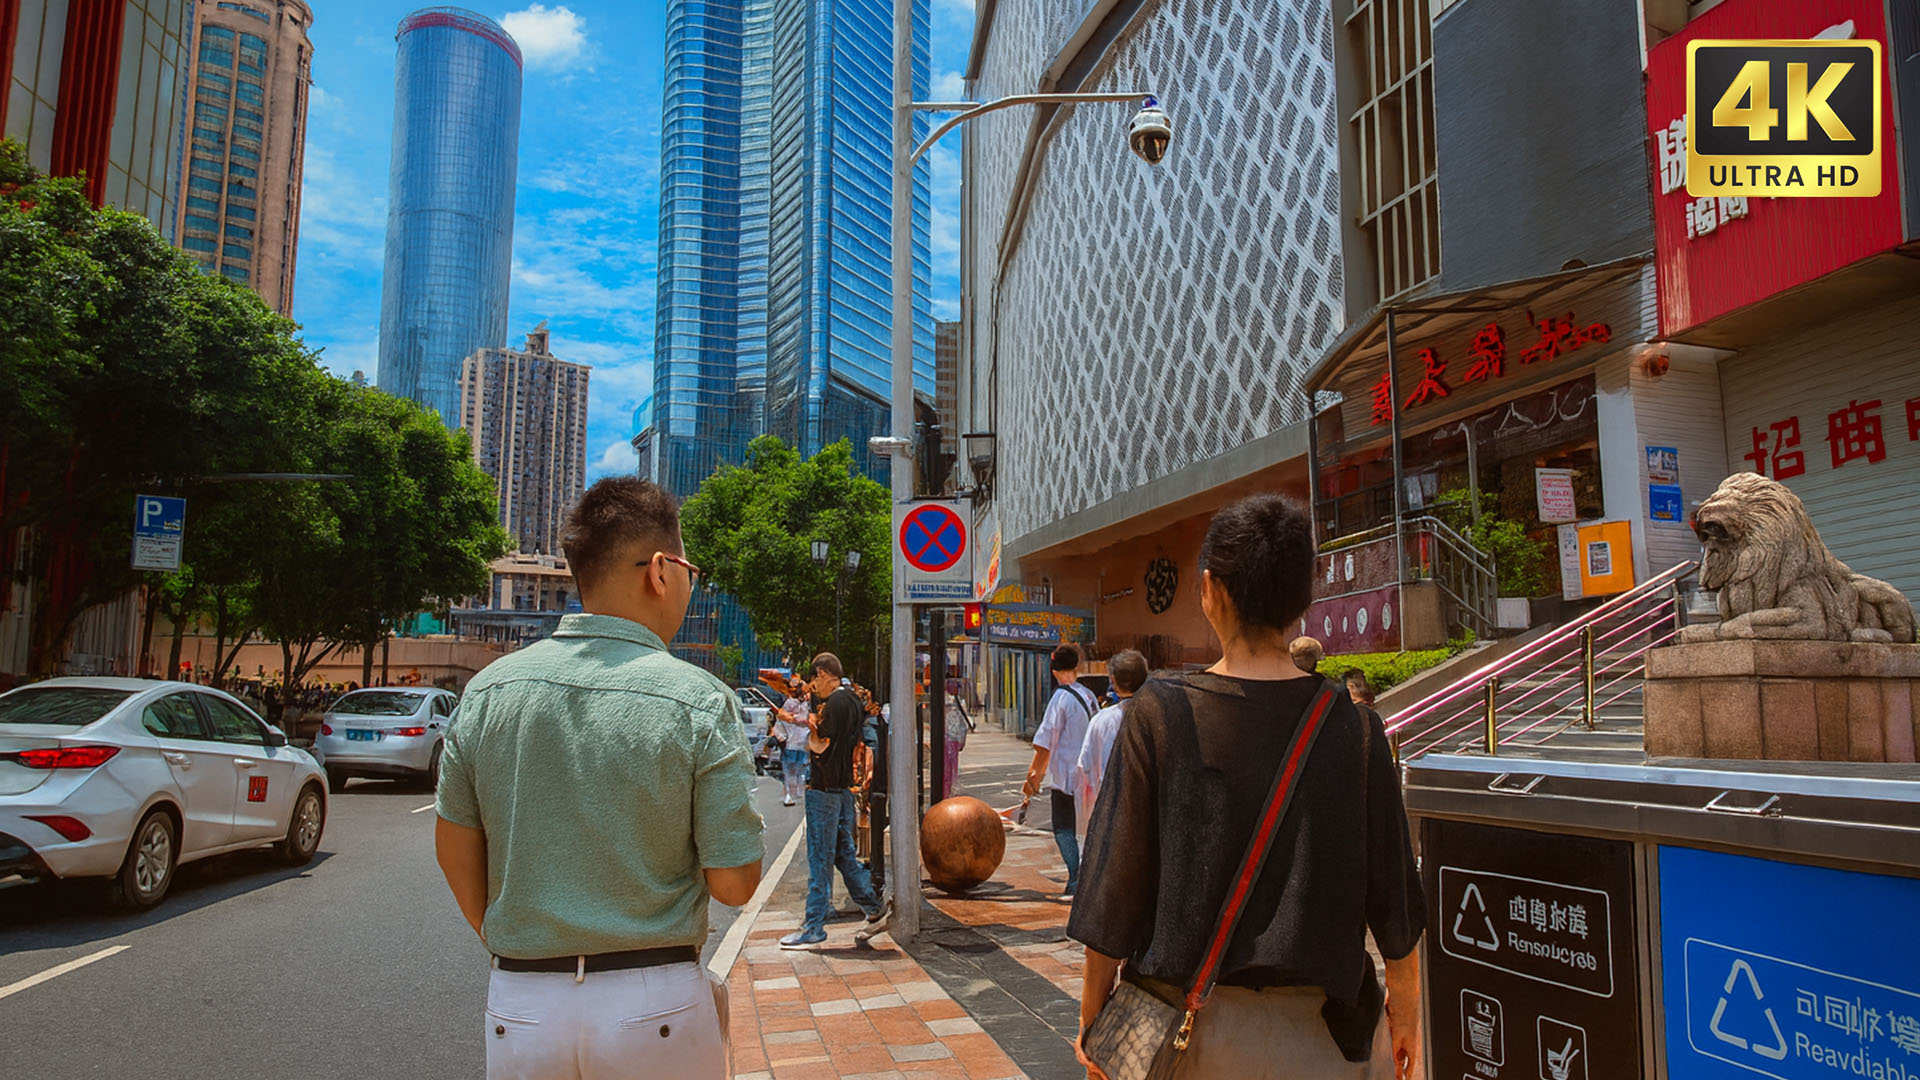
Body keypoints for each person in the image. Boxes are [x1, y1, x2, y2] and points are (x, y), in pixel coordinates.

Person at [1070, 494, 1425, 1078]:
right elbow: (1395, 896)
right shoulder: (1354, 728)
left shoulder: (1159, 715)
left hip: (1191, 1037)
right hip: (1326, 1044)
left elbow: (1115, 889)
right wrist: (1407, 1009)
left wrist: (1095, 1025)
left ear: (1210, 590)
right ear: (1301, 600)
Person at [433, 477, 764, 1080]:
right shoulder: (698, 699)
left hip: (521, 1002)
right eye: (691, 569)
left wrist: (522, 932)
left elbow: (454, 846)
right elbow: (735, 885)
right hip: (656, 1002)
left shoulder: (488, 692)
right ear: (661, 570)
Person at [780, 653, 884, 949]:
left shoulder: (836, 703)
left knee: (820, 858)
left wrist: (800, 721)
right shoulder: (852, 701)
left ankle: (813, 926)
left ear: (824, 674)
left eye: (815, 679)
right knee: (842, 855)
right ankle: (873, 906)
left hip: (824, 790)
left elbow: (821, 740)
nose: (814, 686)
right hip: (841, 790)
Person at [1022, 643, 1099, 900]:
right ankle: (1087, 878)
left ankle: (1077, 879)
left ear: (1054, 670)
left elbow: (1046, 744)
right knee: (1087, 830)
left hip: (1067, 778)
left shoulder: (1060, 698)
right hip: (1091, 774)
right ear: (1075, 667)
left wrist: (1034, 776)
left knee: (1064, 827)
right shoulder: (1088, 695)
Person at [1073, 649, 1148, 814]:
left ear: (1113, 680)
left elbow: (1085, 767)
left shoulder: (1101, 720)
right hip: (1151, 812)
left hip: (1111, 810)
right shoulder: (1161, 716)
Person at [774, 677, 814, 806]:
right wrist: (782, 738)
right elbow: (781, 722)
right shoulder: (790, 704)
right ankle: (790, 795)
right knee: (791, 770)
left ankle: (796, 794)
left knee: (799, 770)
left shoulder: (806, 705)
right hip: (792, 743)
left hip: (802, 743)